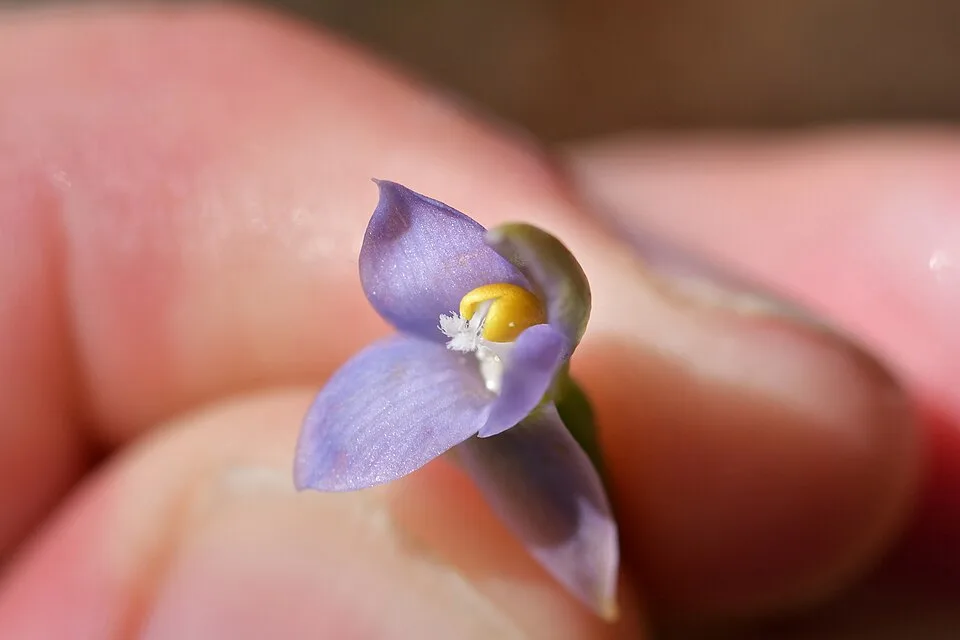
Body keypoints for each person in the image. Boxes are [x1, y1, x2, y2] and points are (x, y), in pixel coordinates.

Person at [0, 6, 955, 638]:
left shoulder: (532, 387)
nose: (495, 327)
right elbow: (342, 452)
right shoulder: (435, 384)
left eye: (523, 314)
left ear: (559, 323)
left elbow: (577, 535)